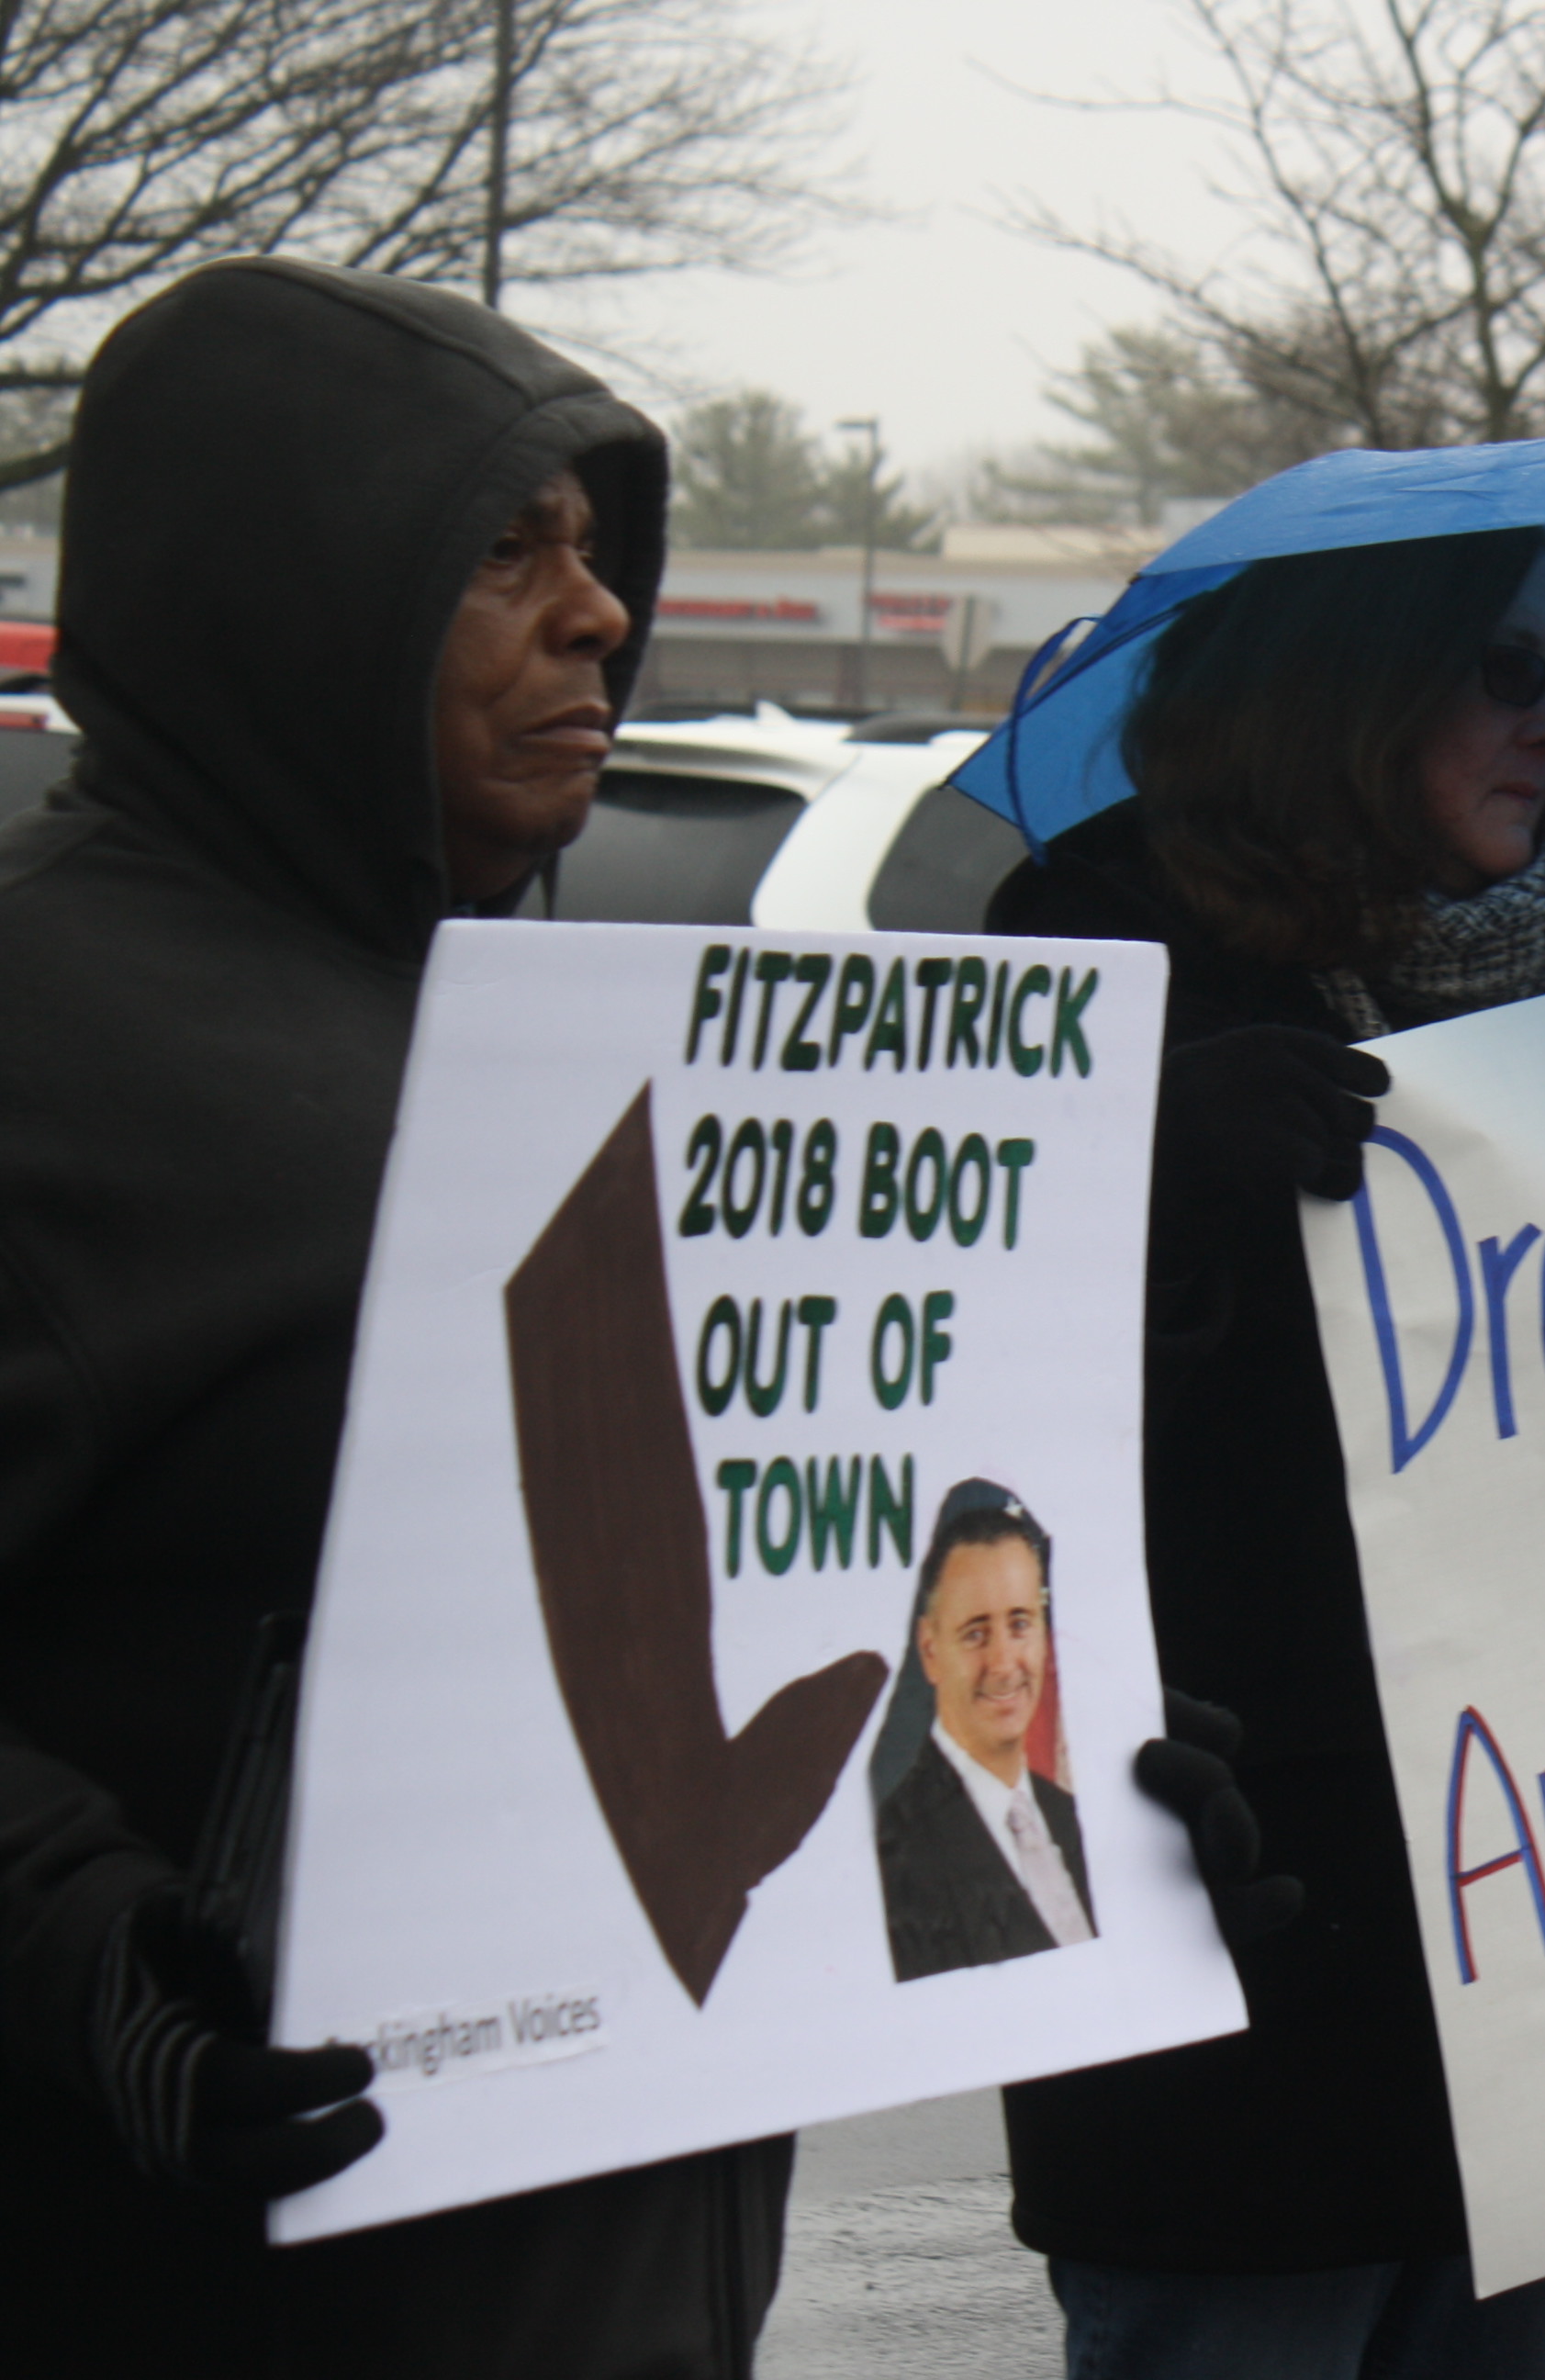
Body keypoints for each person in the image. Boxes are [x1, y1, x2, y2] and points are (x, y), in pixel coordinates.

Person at [0, 258, 797, 2375]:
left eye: (597, 553)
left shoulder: (570, 1031)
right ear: (285, 596)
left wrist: (1077, 1807)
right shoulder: (46, 1038)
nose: (599, 614)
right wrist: (91, 1967)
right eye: (499, 551)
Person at [983, 525, 1545, 2379]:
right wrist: (1127, 1154)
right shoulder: (1096, 951)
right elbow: (940, 1421)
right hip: (1229, 1905)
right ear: (1349, 676)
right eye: (1511, 669)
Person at [878, 1482, 1099, 1982]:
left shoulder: (1074, 1817)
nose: (1003, 1665)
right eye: (976, 1633)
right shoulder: (896, 1852)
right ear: (930, 1650)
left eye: (1020, 1624)